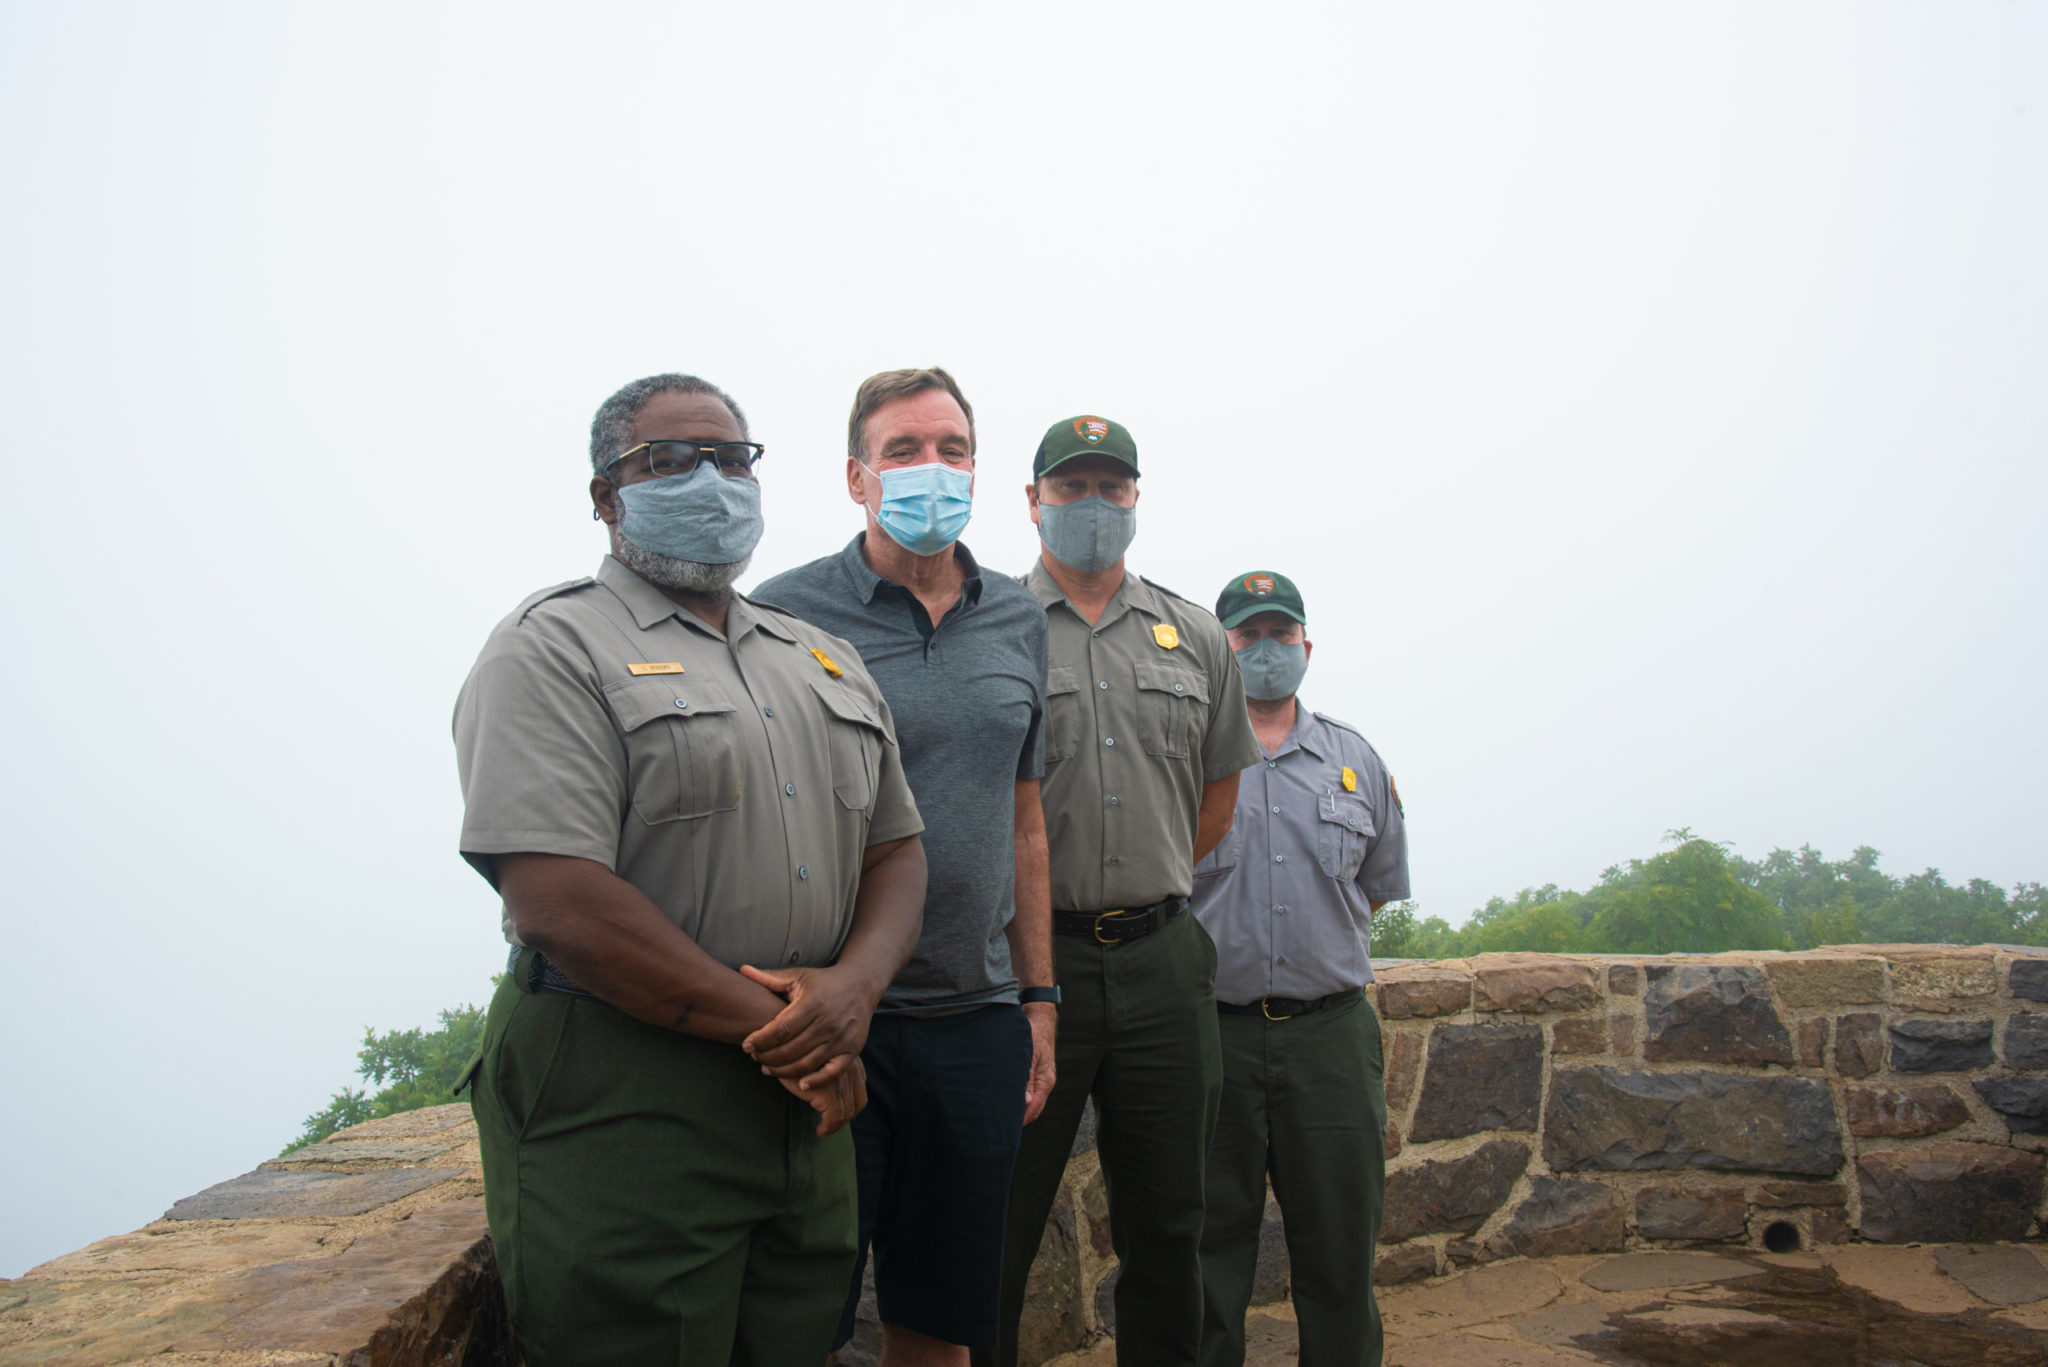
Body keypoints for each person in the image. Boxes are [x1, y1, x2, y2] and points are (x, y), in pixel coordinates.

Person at [452, 372, 930, 1366]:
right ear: (605, 494)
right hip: (629, 1089)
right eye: (667, 460)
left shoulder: (820, 657)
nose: (708, 479)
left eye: (729, 457)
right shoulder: (552, 647)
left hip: (804, 1101)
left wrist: (854, 989)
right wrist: (799, 1029)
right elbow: (558, 901)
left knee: (796, 1339)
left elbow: (896, 850)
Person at [753, 368, 1056, 1367]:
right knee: (798, 1318)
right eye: (902, 450)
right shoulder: (783, 614)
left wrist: (1039, 996)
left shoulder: (1016, 616)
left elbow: (1023, 817)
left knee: (941, 1321)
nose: (932, 469)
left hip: (973, 1020)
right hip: (838, 1018)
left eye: (951, 449)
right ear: (856, 477)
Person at [983, 416, 1265, 1367]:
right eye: (1072, 488)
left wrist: (1143, 879)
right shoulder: (991, 625)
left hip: (1161, 959)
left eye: (1112, 488)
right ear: (1033, 502)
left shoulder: (1192, 636)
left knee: (1171, 1221)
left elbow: (1218, 796)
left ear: (1137, 499)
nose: (1093, 506)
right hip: (1027, 964)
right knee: (998, 1221)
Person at [1190, 570, 1409, 1367]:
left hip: (1331, 1040)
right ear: (1222, 649)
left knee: (1341, 1251)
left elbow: (1375, 891)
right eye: (1248, 635)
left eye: (1282, 634)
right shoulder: (1190, 761)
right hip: (1216, 1038)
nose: (1267, 649)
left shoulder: (1355, 760)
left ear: (1307, 647)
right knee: (1208, 1257)